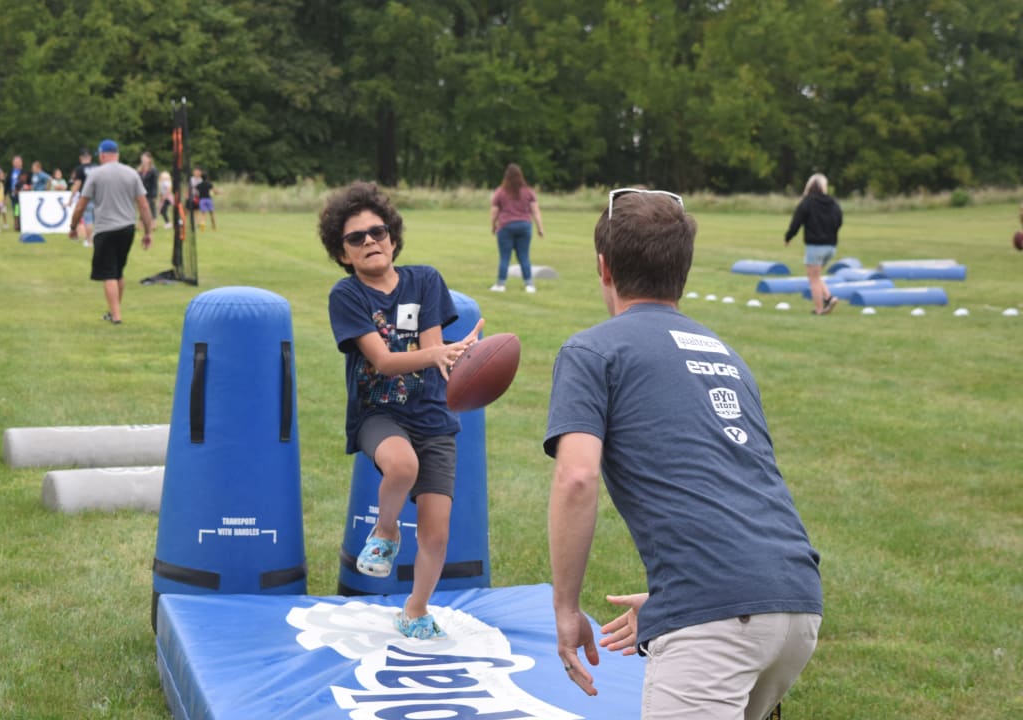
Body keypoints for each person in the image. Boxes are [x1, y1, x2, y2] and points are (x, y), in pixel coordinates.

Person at [546, 188, 823, 719]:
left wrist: (565, 609)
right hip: (795, 599)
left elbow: (576, 479)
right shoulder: (725, 354)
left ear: (603, 267)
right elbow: (732, 482)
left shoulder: (592, 351)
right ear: (684, 270)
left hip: (720, 619)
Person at [320, 181, 483, 640]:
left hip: (432, 416)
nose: (371, 241)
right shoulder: (347, 295)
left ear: (393, 237)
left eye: (378, 231)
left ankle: (415, 609)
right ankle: (387, 529)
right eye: (356, 238)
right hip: (379, 413)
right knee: (401, 464)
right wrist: (438, 354)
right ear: (343, 252)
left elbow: (434, 348)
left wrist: (454, 354)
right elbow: (384, 362)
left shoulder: (425, 280)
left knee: (436, 533)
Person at [69, 139, 155, 325]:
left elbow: (81, 204)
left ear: (101, 154)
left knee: (108, 272)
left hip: (105, 229)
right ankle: (113, 310)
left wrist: (73, 226)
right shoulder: (132, 173)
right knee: (118, 271)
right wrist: (148, 232)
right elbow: (144, 206)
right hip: (127, 228)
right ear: (117, 154)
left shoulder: (95, 174)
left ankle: (116, 316)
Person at [784, 173, 844, 315]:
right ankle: (829, 298)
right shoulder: (833, 202)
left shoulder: (807, 202)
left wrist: (789, 236)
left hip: (815, 246)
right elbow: (839, 221)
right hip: (831, 246)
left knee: (813, 279)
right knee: (815, 275)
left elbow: (796, 221)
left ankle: (819, 310)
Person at [489, 163, 545, 293]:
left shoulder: (500, 192)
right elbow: (536, 211)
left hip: (506, 227)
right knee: (524, 256)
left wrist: (493, 226)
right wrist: (540, 228)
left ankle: (500, 284)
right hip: (524, 226)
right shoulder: (528, 192)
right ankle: (529, 285)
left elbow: (494, 211)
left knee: (505, 257)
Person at [70, 148, 96, 247]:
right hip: (98, 196)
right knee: (97, 219)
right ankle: (96, 239)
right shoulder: (97, 167)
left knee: (88, 218)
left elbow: (77, 184)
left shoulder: (79, 169)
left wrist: (71, 199)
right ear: (90, 157)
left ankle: (89, 241)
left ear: (80, 158)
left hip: (86, 196)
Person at [8, 155, 25, 231]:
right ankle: (16, 225)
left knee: (21, 210)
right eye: (16, 162)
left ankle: (21, 225)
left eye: (19, 162)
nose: (17, 163)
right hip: (13, 195)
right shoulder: (11, 172)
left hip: (22, 194)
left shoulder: (24, 172)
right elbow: (8, 183)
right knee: (16, 210)